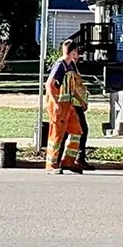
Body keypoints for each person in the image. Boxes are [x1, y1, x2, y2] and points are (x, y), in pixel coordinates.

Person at [44, 37, 89, 173]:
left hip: (68, 104)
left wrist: (81, 101)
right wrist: (55, 102)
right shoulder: (60, 65)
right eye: (76, 52)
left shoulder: (70, 65)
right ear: (72, 52)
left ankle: (68, 162)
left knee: (77, 131)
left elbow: (72, 86)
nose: (77, 54)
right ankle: (51, 165)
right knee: (57, 135)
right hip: (58, 105)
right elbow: (49, 84)